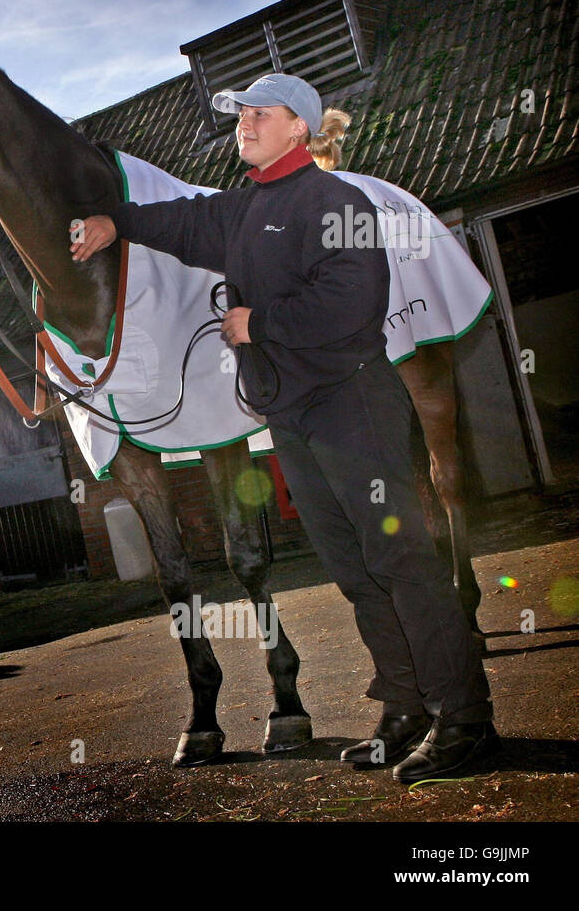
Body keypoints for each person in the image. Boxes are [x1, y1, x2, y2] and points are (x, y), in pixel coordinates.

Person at [70, 73, 496, 783]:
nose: (243, 123)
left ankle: (466, 716)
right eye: (238, 115)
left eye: (257, 114)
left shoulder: (341, 202)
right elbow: (179, 221)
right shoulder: (242, 209)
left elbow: (352, 302)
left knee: (403, 560)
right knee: (354, 568)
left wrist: (255, 324)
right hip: (293, 417)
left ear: (298, 127)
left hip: (351, 403)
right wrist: (118, 221)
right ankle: (406, 705)